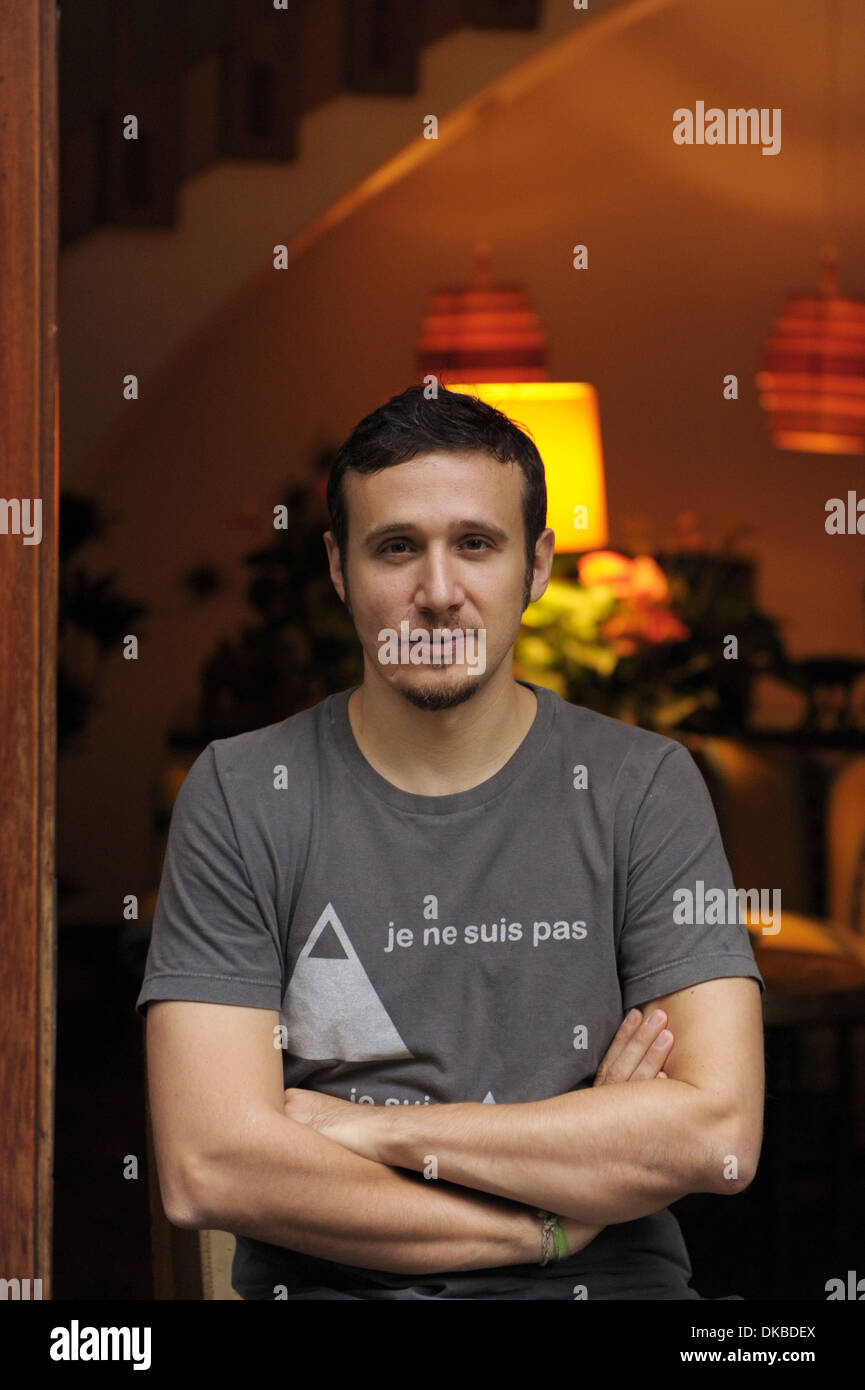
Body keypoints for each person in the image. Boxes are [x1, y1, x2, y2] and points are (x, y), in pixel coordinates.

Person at [136, 383, 765, 1300]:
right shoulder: (243, 793)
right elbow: (210, 1167)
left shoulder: (642, 786)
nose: (437, 593)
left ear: (537, 565)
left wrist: (369, 1131)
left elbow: (716, 1139)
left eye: (476, 543)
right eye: (397, 549)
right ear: (340, 568)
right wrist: (547, 1221)